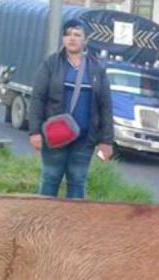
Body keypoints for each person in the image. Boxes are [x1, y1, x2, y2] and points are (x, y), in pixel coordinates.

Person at [28, 19, 114, 200]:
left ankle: (72, 227)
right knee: (50, 180)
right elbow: (38, 99)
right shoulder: (51, 64)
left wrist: (106, 141)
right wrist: (35, 132)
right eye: (67, 34)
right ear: (62, 38)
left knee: (77, 182)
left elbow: (105, 106)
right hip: (54, 137)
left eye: (77, 35)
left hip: (84, 140)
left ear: (86, 40)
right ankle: (43, 223)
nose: (72, 39)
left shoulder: (97, 69)